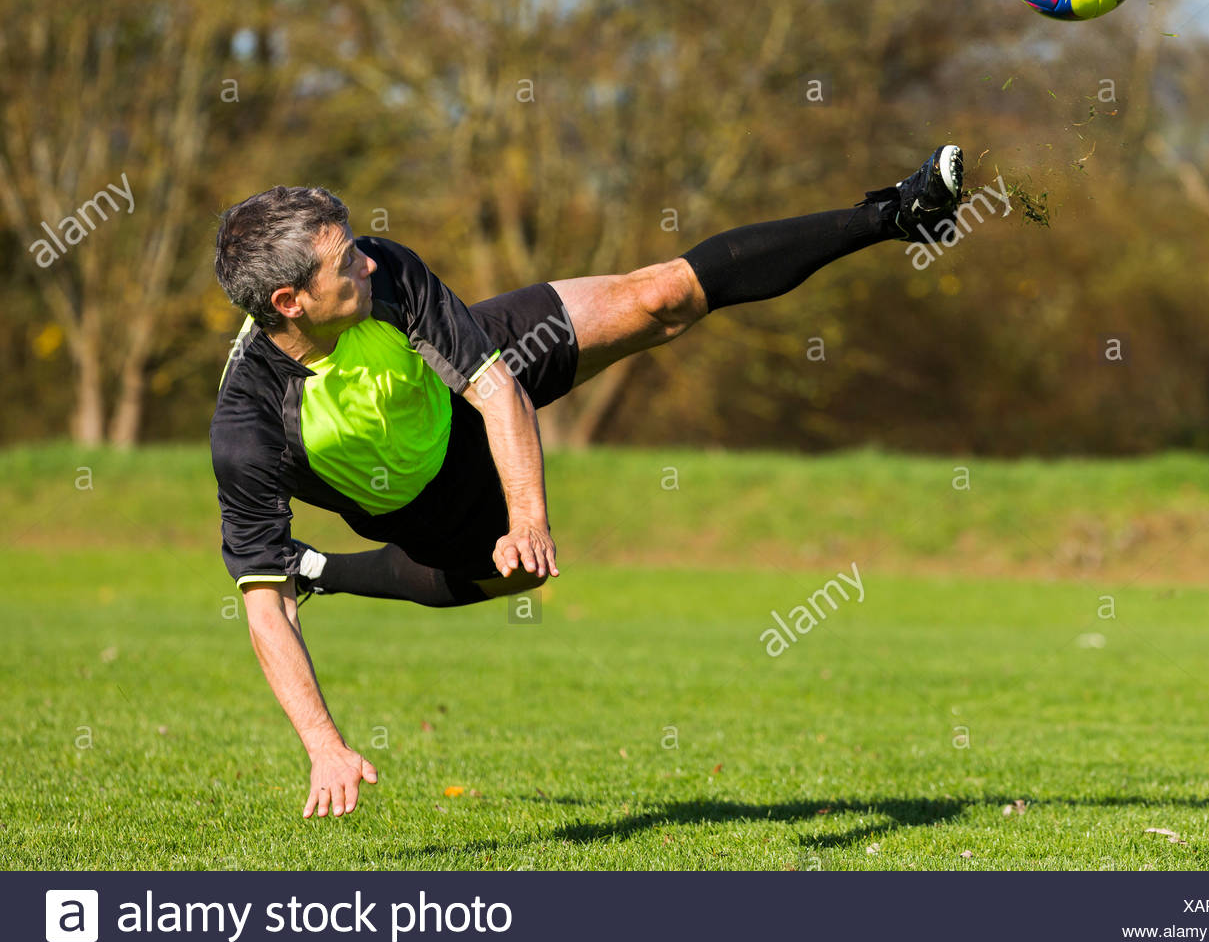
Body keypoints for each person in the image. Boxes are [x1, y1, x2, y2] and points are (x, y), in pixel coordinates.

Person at [210, 145, 964, 819]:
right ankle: (327, 570)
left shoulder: (386, 272)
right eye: (346, 263)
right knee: (509, 580)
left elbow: (493, 385)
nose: (367, 262)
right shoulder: (251, 430)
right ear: (289, 302)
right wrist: (325, 747)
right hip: (425, 499)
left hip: (466, 389)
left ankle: (900, 212)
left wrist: (528, 514)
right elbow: (264, 606)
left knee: (660, 296)